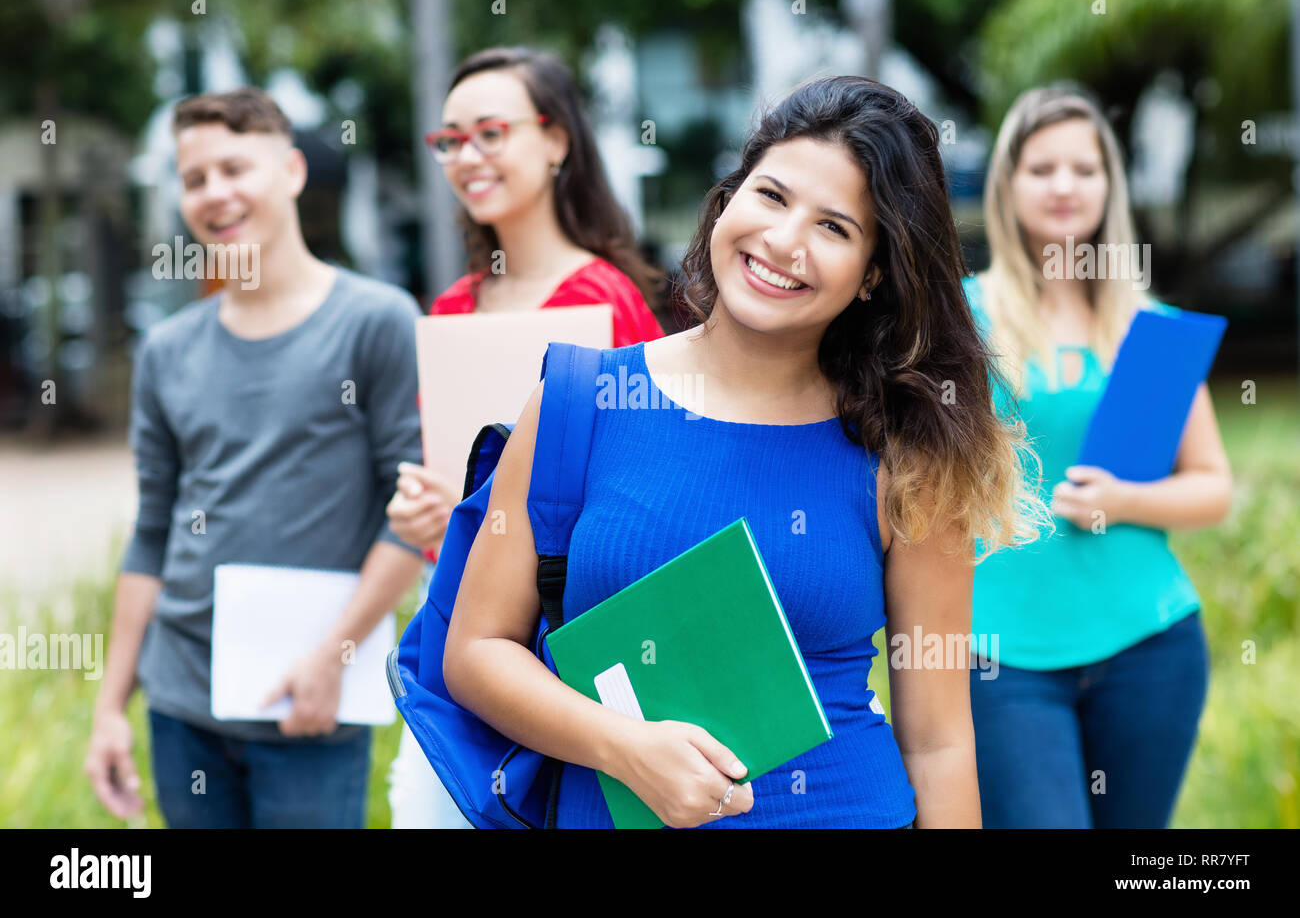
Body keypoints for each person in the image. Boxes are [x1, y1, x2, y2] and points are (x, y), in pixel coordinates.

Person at [441, 75, 1053, 828]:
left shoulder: (905, 450)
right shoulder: (580, 401)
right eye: (770, 196)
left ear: (872, 276)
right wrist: (625, 748)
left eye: (834, 227)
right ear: (728, 199)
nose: (784, 242)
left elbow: (937, 741)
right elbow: (476, 651)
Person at [84, 87, 427, 828]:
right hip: (182, 701)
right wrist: (112, 707)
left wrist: (334, 656)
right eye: (195, 178)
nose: (215, 194)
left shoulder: (377, 323)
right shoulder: (168, 350)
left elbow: (412, 517)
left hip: (310, 702)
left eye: (235, 168)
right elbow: (152, 532)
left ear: (294, 171)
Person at [384, 47, 665, 828]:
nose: (467, 157)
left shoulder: (611, 302)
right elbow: (451, 484)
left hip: (578, 635)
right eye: (450, 141)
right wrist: (423, 517)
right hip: (462, 631)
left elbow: (646, 488)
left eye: (490, 132)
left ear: (556, 141)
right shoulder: (451, 307)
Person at [963, 85, 1233, 828]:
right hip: (1003, 654)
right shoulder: (962, 320)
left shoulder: (1149, 329)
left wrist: (1126, 501)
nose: (1063, 187)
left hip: (1151, 645)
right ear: (1008, 184)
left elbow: (1212, 487)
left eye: (1084, 169)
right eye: (1041, 168)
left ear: (1110, 186)